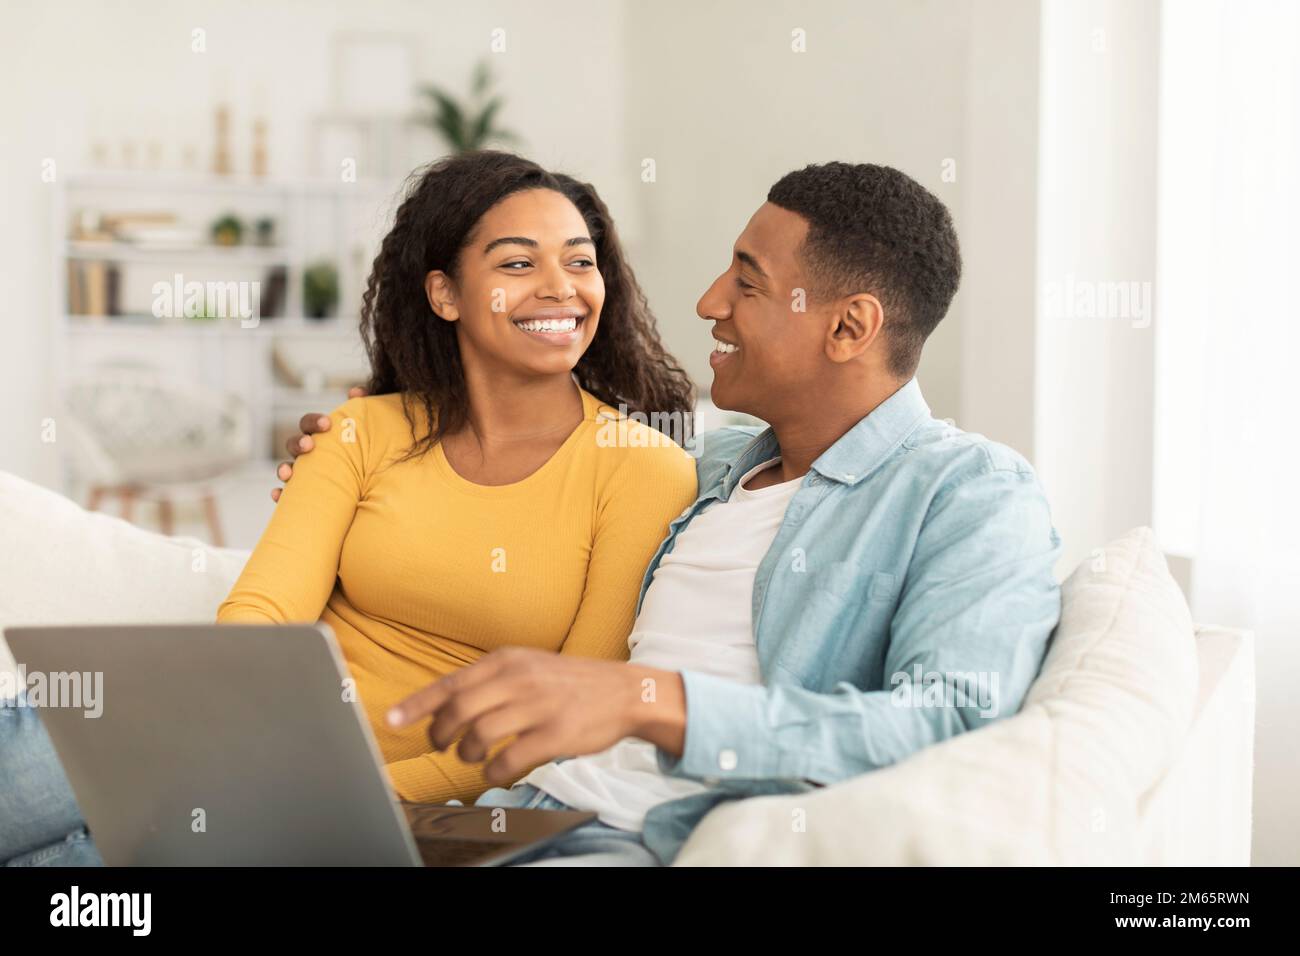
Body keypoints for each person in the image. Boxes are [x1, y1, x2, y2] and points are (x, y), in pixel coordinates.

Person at [290, 161, 1064, 866]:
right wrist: (373, 458)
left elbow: (948, 725)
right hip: (516, 813)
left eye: (748, 284)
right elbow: (533, 495)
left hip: (634, 838)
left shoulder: (968, 492)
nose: (708, 302)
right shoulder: (712, 467)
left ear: (849, 327)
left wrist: (650, 700)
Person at [0, 151, 697, 866]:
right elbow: (262, 619)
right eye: (518, 264)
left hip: (368, 803)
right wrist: (222, 753)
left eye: (580, 263)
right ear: (444, 293)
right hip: (229, 737)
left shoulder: (643, 469)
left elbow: (563, 719)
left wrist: (339, 797)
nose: (561, 288)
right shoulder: (362, 432)